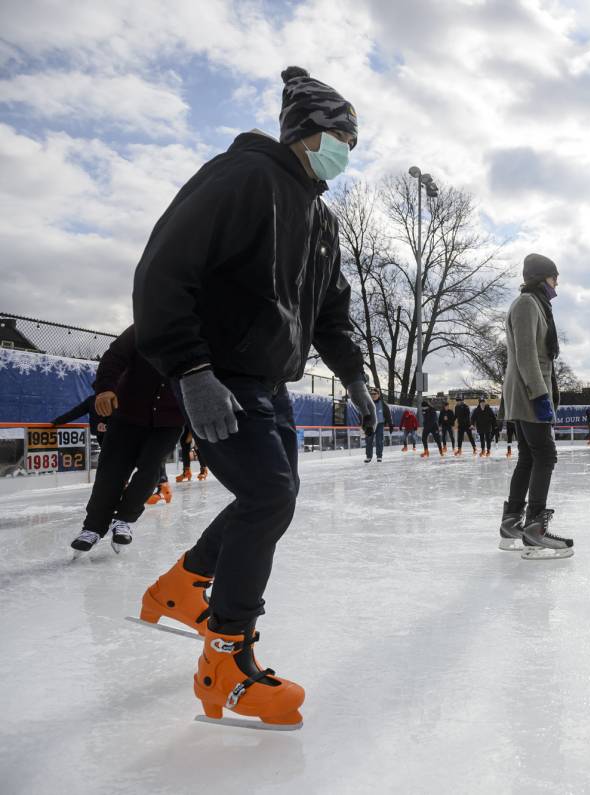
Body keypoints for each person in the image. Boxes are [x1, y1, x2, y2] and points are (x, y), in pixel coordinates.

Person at [132, 66, 375, 728]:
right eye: (339, 137)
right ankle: (223, 664)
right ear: (304, 132)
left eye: (352, 142)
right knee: (268, 496)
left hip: (271, 381)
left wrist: (355, 378)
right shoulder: (242, 177)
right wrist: (191, 369)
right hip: (219, 375)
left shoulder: (320, 220)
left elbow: (331, 314)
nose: (346, 151)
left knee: (273, 497)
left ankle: (183, 585)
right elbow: (163, 270)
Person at [69, 325, 185, 555]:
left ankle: (124, 519)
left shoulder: (200, 333)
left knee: (150, 469)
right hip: (127, 413)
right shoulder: (146, 325)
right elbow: (114, 356)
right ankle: (93, 527)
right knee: (111, 471)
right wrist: (105, 388)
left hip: (170, 419)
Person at [498, 253, 573, 560]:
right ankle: (534, 529)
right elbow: (527, 354)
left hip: (526, 390)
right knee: (545, 454)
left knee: (529, 456)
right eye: (555, 277)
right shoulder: (528, 304)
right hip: (528, 392)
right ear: (542, 278)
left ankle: (511, 523)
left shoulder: (535, 304)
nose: (557, 284)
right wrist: (540, 396)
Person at [364, 386, 393, 463]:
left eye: (375, 394)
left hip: (380, 424)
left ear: (378, 394)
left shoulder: (383, 404)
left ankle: (379, 456)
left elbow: (388, 415)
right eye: (371, 394)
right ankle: (368, 456)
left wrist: (390, 424)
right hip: (370, 425)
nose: (373, 395)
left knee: (379, 441)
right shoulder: (367, 403)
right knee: (369, 440)